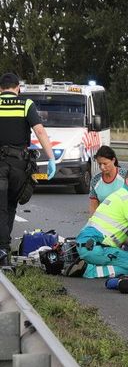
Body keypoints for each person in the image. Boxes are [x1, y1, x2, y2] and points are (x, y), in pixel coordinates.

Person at [0, 72, 56, 264]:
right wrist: (51, 158)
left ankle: (2, 248)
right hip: (18, 165)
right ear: (18, 88)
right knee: (10, 204)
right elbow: (39, 130)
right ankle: (3, 249)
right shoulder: (26, 104)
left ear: (0, 89)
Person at [75, 167, 128, 279]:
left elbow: (117, 235)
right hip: (96, 247)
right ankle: (89, 271)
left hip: (87, 244)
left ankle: (89, 264)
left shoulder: (118, 195)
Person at [88, 145, 126, 214]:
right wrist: (92, 222)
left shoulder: (125, 175)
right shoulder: (95, 180)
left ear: (113, 160)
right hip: (104, 220)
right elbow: (93, 205)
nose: (102, 167)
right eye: (100, 164)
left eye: (105, 164)